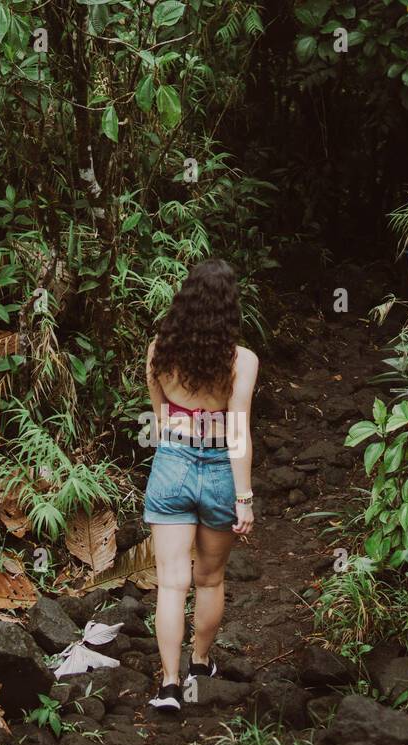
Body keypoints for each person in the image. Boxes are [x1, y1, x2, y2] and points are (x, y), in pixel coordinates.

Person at [142, 258, 258, 713]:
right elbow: (237, 434)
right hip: (218, 472)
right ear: (230, 305)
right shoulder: (241, 361)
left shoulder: (159, 350)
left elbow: (160, 419)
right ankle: (200, 663)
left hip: (171, 461)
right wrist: (243, 497)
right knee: (209, 580)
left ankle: (169, 687)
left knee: (171, 584)